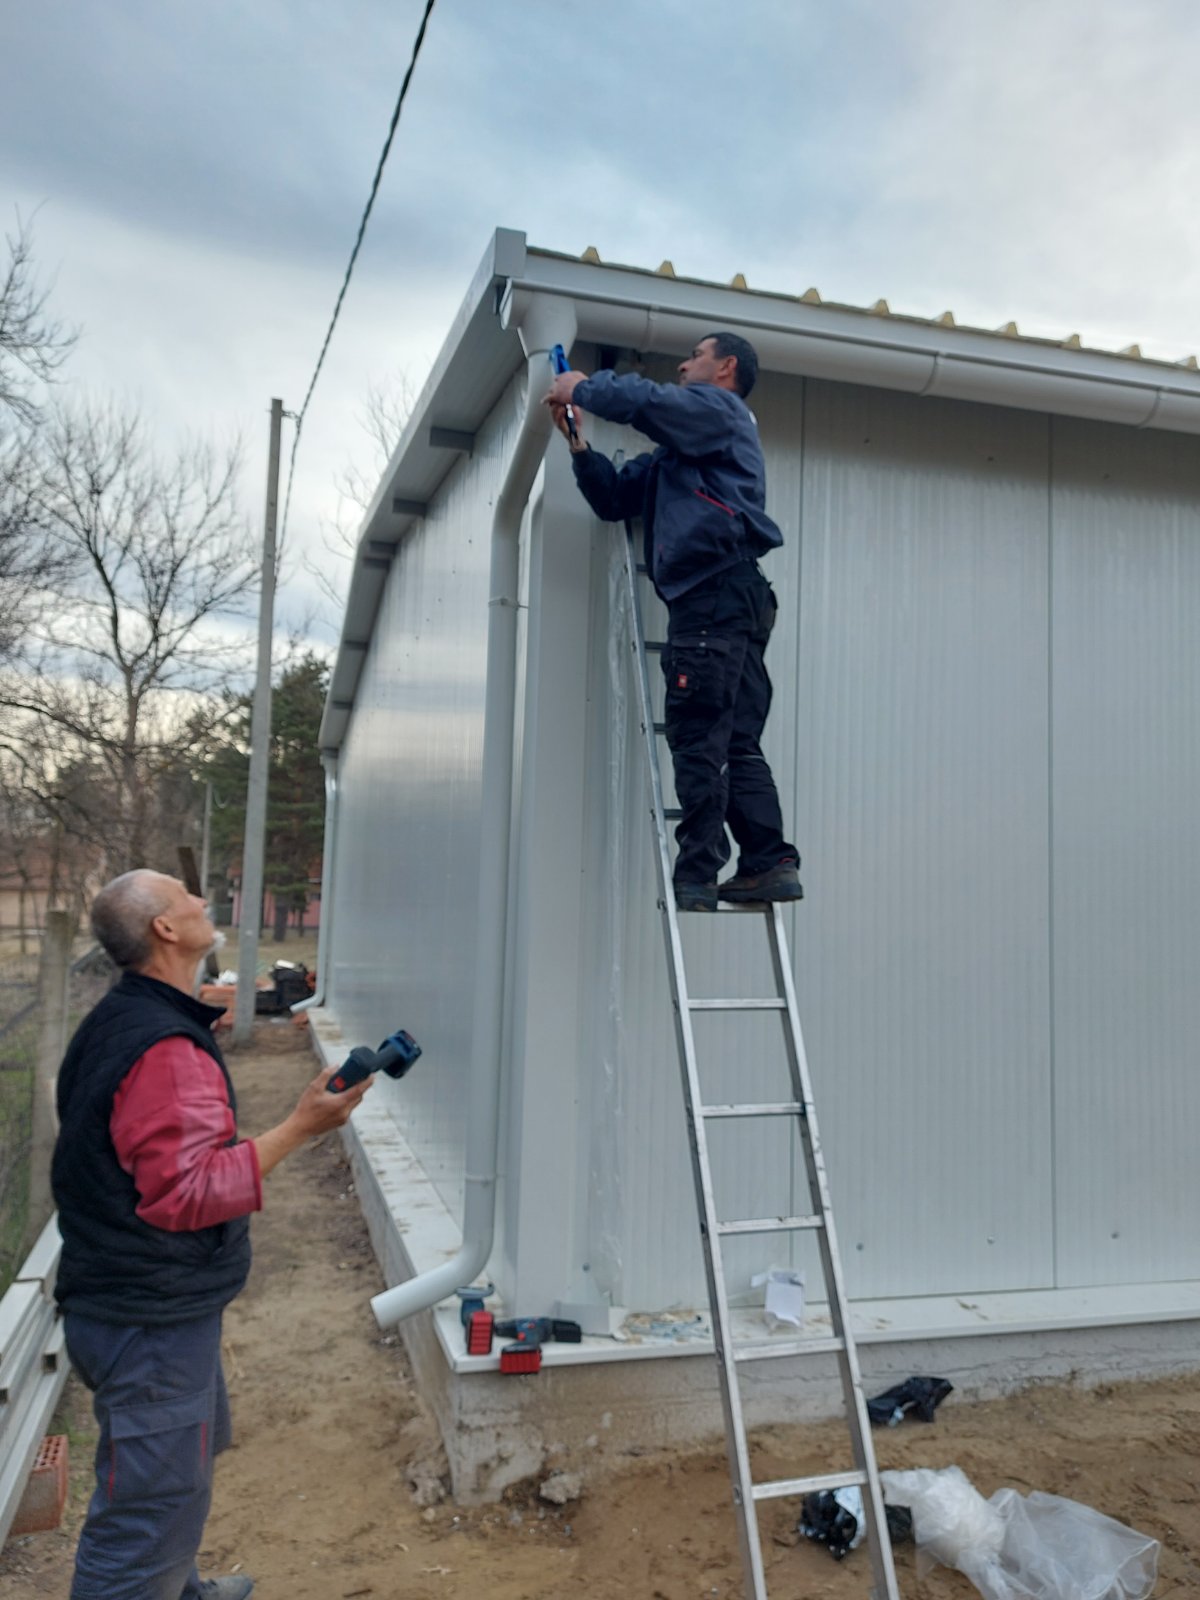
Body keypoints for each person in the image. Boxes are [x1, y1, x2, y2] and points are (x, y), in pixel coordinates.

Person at [51, 869, 373, 1600]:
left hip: (129, 1297)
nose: (202, 902)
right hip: (146, 1317)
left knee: (176, 1470)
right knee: (148, 1508)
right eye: (186, 896)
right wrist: (300, 1128)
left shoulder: (129, 1016)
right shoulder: (163, 1048)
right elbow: (185, 1192)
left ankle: (182, 1589)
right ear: (165, 929)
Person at [546, 332, 802, 912]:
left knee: (698, 738)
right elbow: (615, 499)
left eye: (696, 356)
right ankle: (769, 862)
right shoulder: (682, 455)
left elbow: (652, 404)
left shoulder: (722, 410)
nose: (684, 364)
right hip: (735, 596)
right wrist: (578, 443)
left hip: (713, 597)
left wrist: (582, 384)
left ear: (726, 368)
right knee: (736, 740)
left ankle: (696, 876)